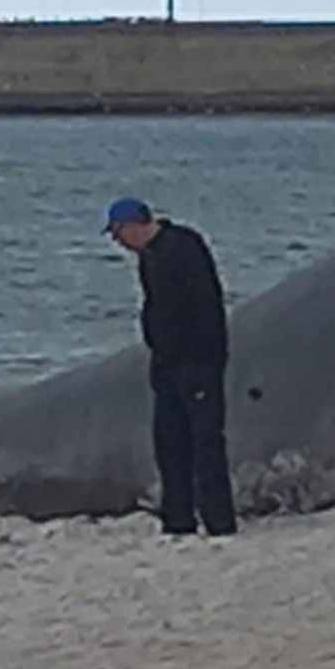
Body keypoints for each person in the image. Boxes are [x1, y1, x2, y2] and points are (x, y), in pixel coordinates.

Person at [103, 196, 237, 537]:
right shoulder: (149, 258)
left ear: (134, 225)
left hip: (197, 361)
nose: (119, 243)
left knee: (206, 443)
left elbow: (205, 304)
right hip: (166, 362)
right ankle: (178, 519)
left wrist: (201, 356)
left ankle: (219, 521)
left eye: (119, 233)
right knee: (170, 442)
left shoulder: (183, 246)